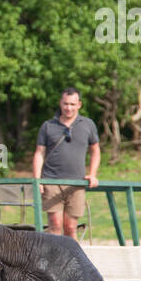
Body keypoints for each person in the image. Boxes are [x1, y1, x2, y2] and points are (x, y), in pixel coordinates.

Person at [32, 87, 101, 239]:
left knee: (70, 227)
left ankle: (72, 261)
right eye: (65, 104)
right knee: (55, 225)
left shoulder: (88, 124)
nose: (68, 108)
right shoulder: (48, 126)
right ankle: (55, 261)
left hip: (77, 182)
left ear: (79, 105)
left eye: (72, 104)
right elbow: (39, 153)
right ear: (60, 103)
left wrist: (93, 174)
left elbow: (95, 150)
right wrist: (37, 180)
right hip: (51, 180)